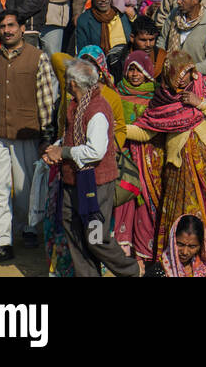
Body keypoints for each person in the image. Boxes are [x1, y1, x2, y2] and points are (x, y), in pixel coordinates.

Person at [123, 49, 206, 263]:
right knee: (180, 222)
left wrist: (200, 103)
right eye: (176, 80)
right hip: (178, 170)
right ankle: (177, 267)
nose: (181, 84)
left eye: (186, 76)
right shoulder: (163, 99)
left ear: (192, 71)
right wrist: (118, 128)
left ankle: (203, 265)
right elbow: (146, 130)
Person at [41, 57, 141, 278]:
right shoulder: (75, 105)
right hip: (72, 182)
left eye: (67, 80)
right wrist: (55, 150)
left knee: (96, 238)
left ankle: (131, 271)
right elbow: (71, 140)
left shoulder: (97, 110)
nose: (65, 83)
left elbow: (95, 152)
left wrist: (64, 153)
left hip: (95, 186)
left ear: (74, 84)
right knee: (75, 233)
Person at [0, 10, 60, 264]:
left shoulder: (38, 58)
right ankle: (2, 242)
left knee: (26, 190)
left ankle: (29, 228)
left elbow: (47, 101)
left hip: (27, 133)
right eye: (3, 26)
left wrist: (46, 136)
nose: (7, 30)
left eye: (11, 25)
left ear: (22, 28)